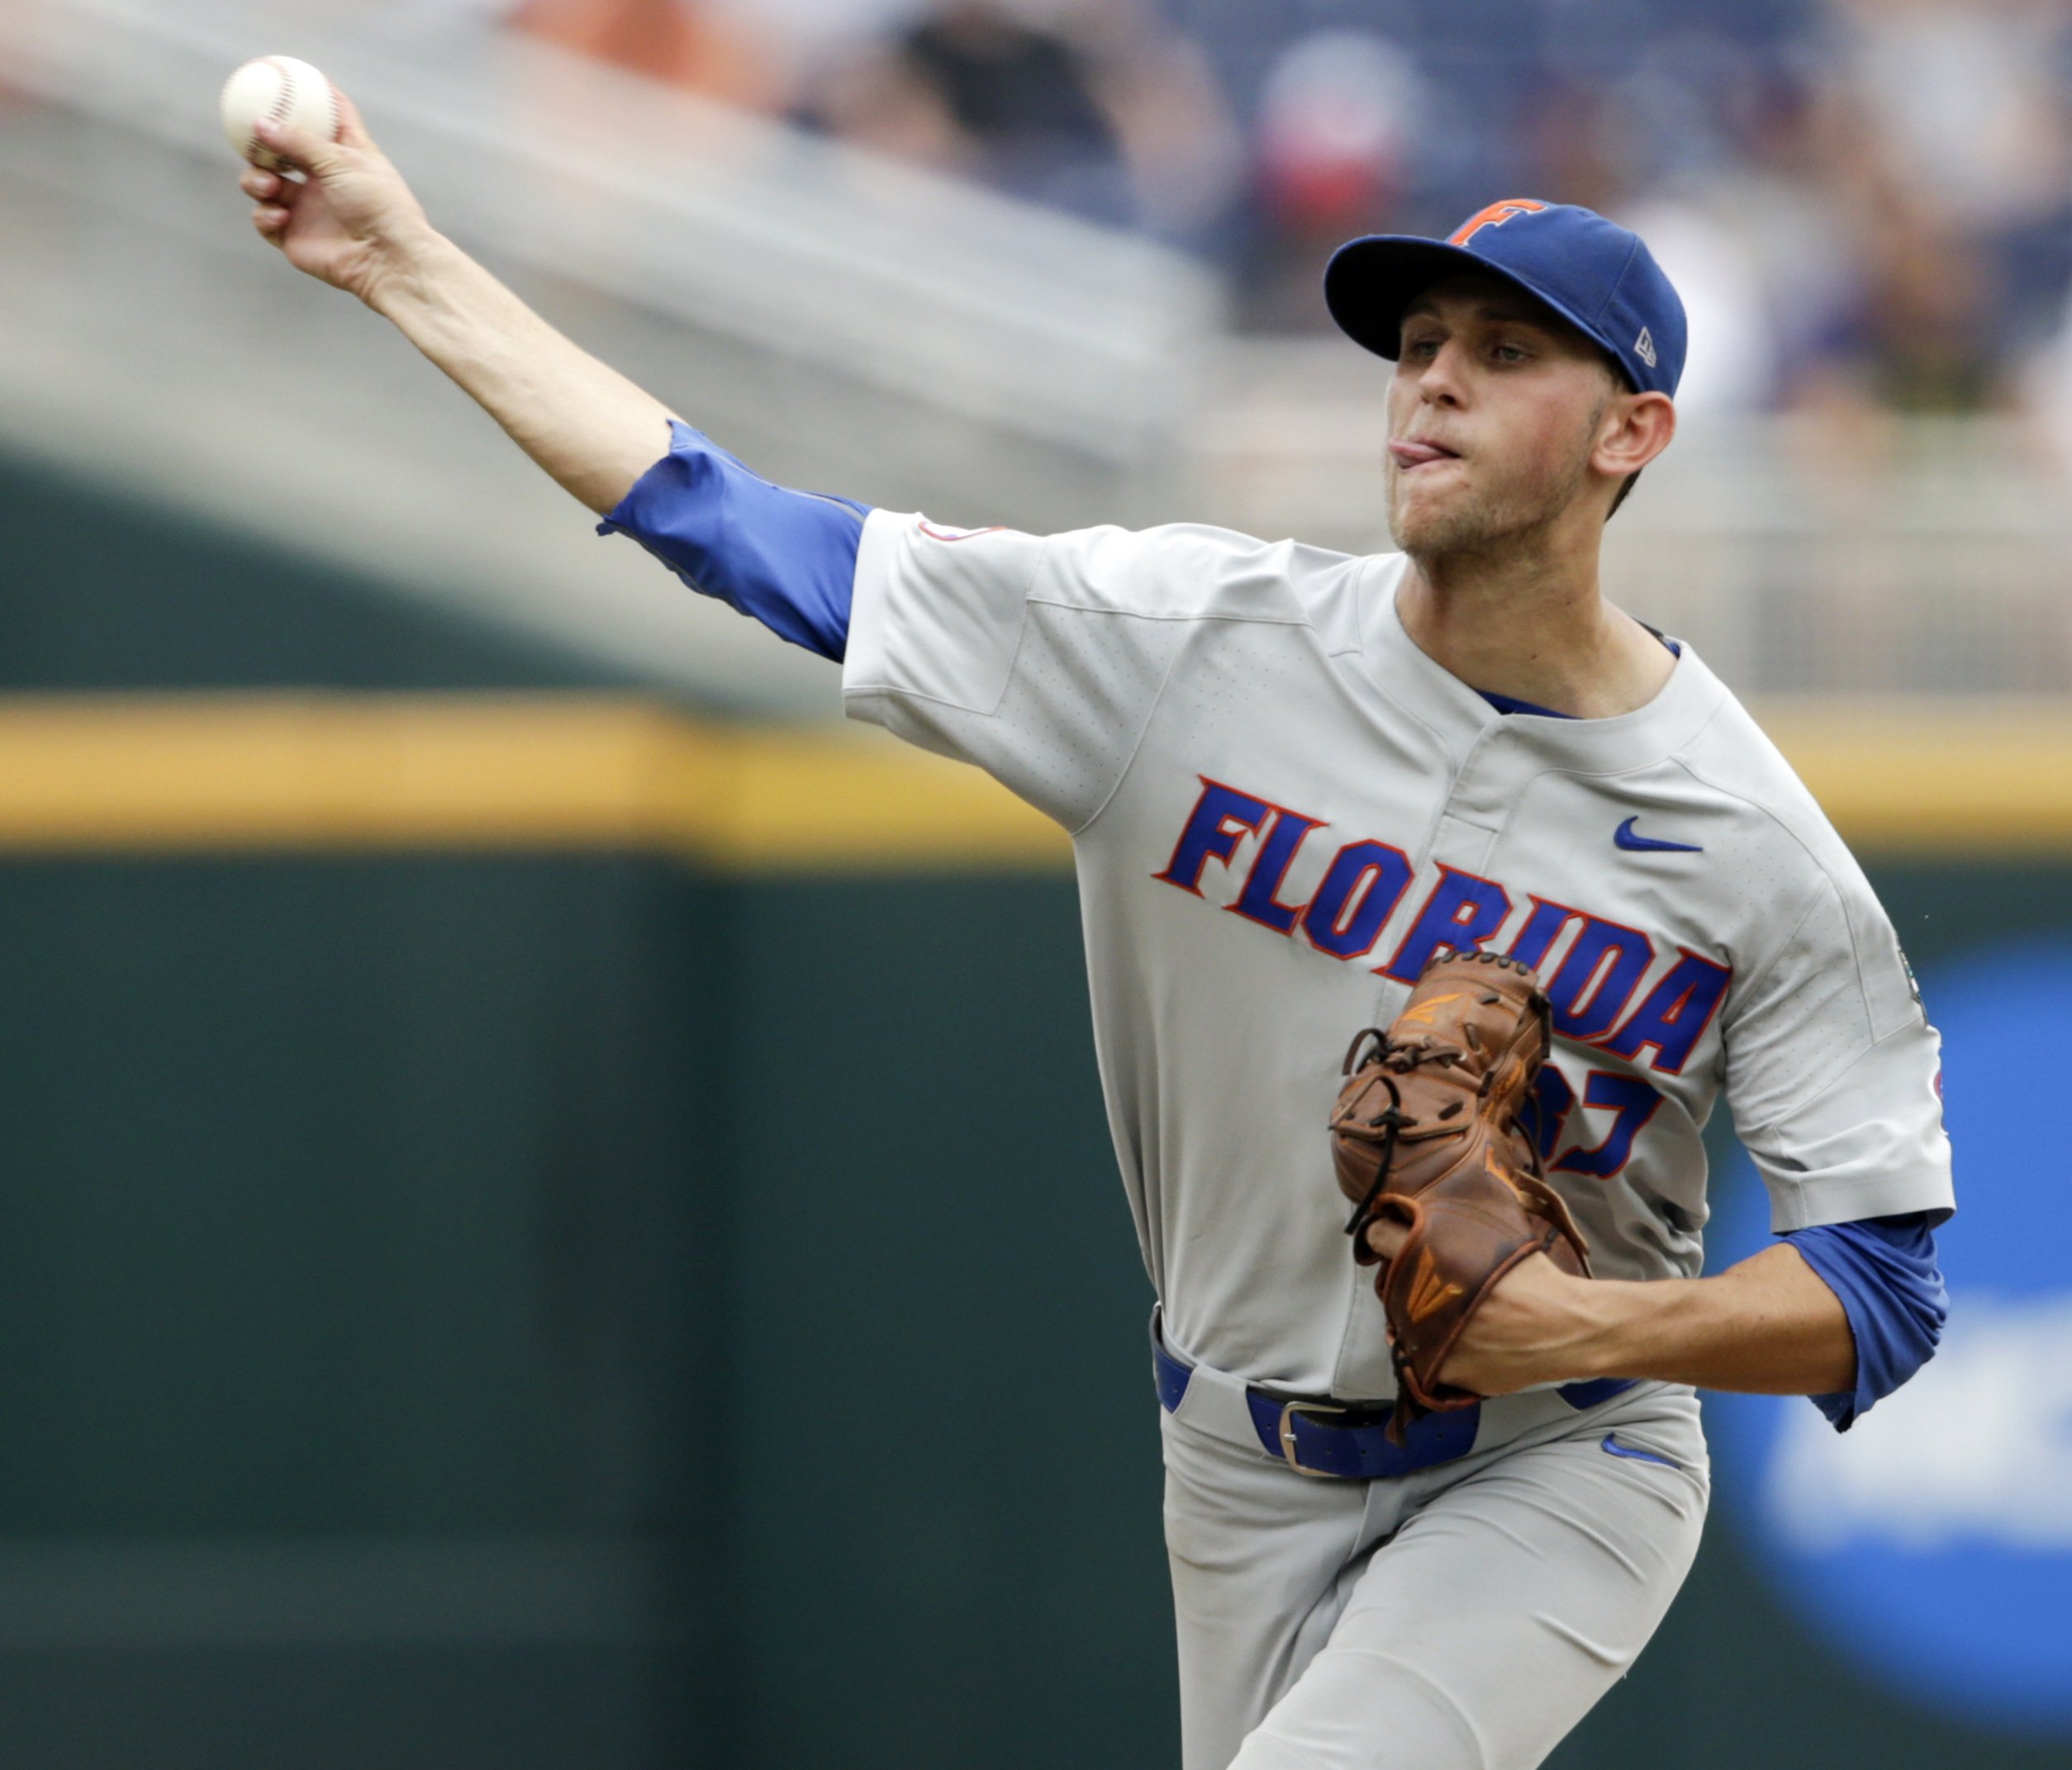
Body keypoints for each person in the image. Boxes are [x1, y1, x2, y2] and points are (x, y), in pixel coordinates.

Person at [238, 102, 1955, 1770]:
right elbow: (733, 524)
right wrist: (402, 262)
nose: (1431, 376)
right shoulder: (1184, 642)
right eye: (1420, 338)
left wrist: (1587, 1331)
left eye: (1506, 352)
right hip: (1231, 1455)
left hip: (1558, 1465)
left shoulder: (1754, 848)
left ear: (1628, 435)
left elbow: (1877, 1290)